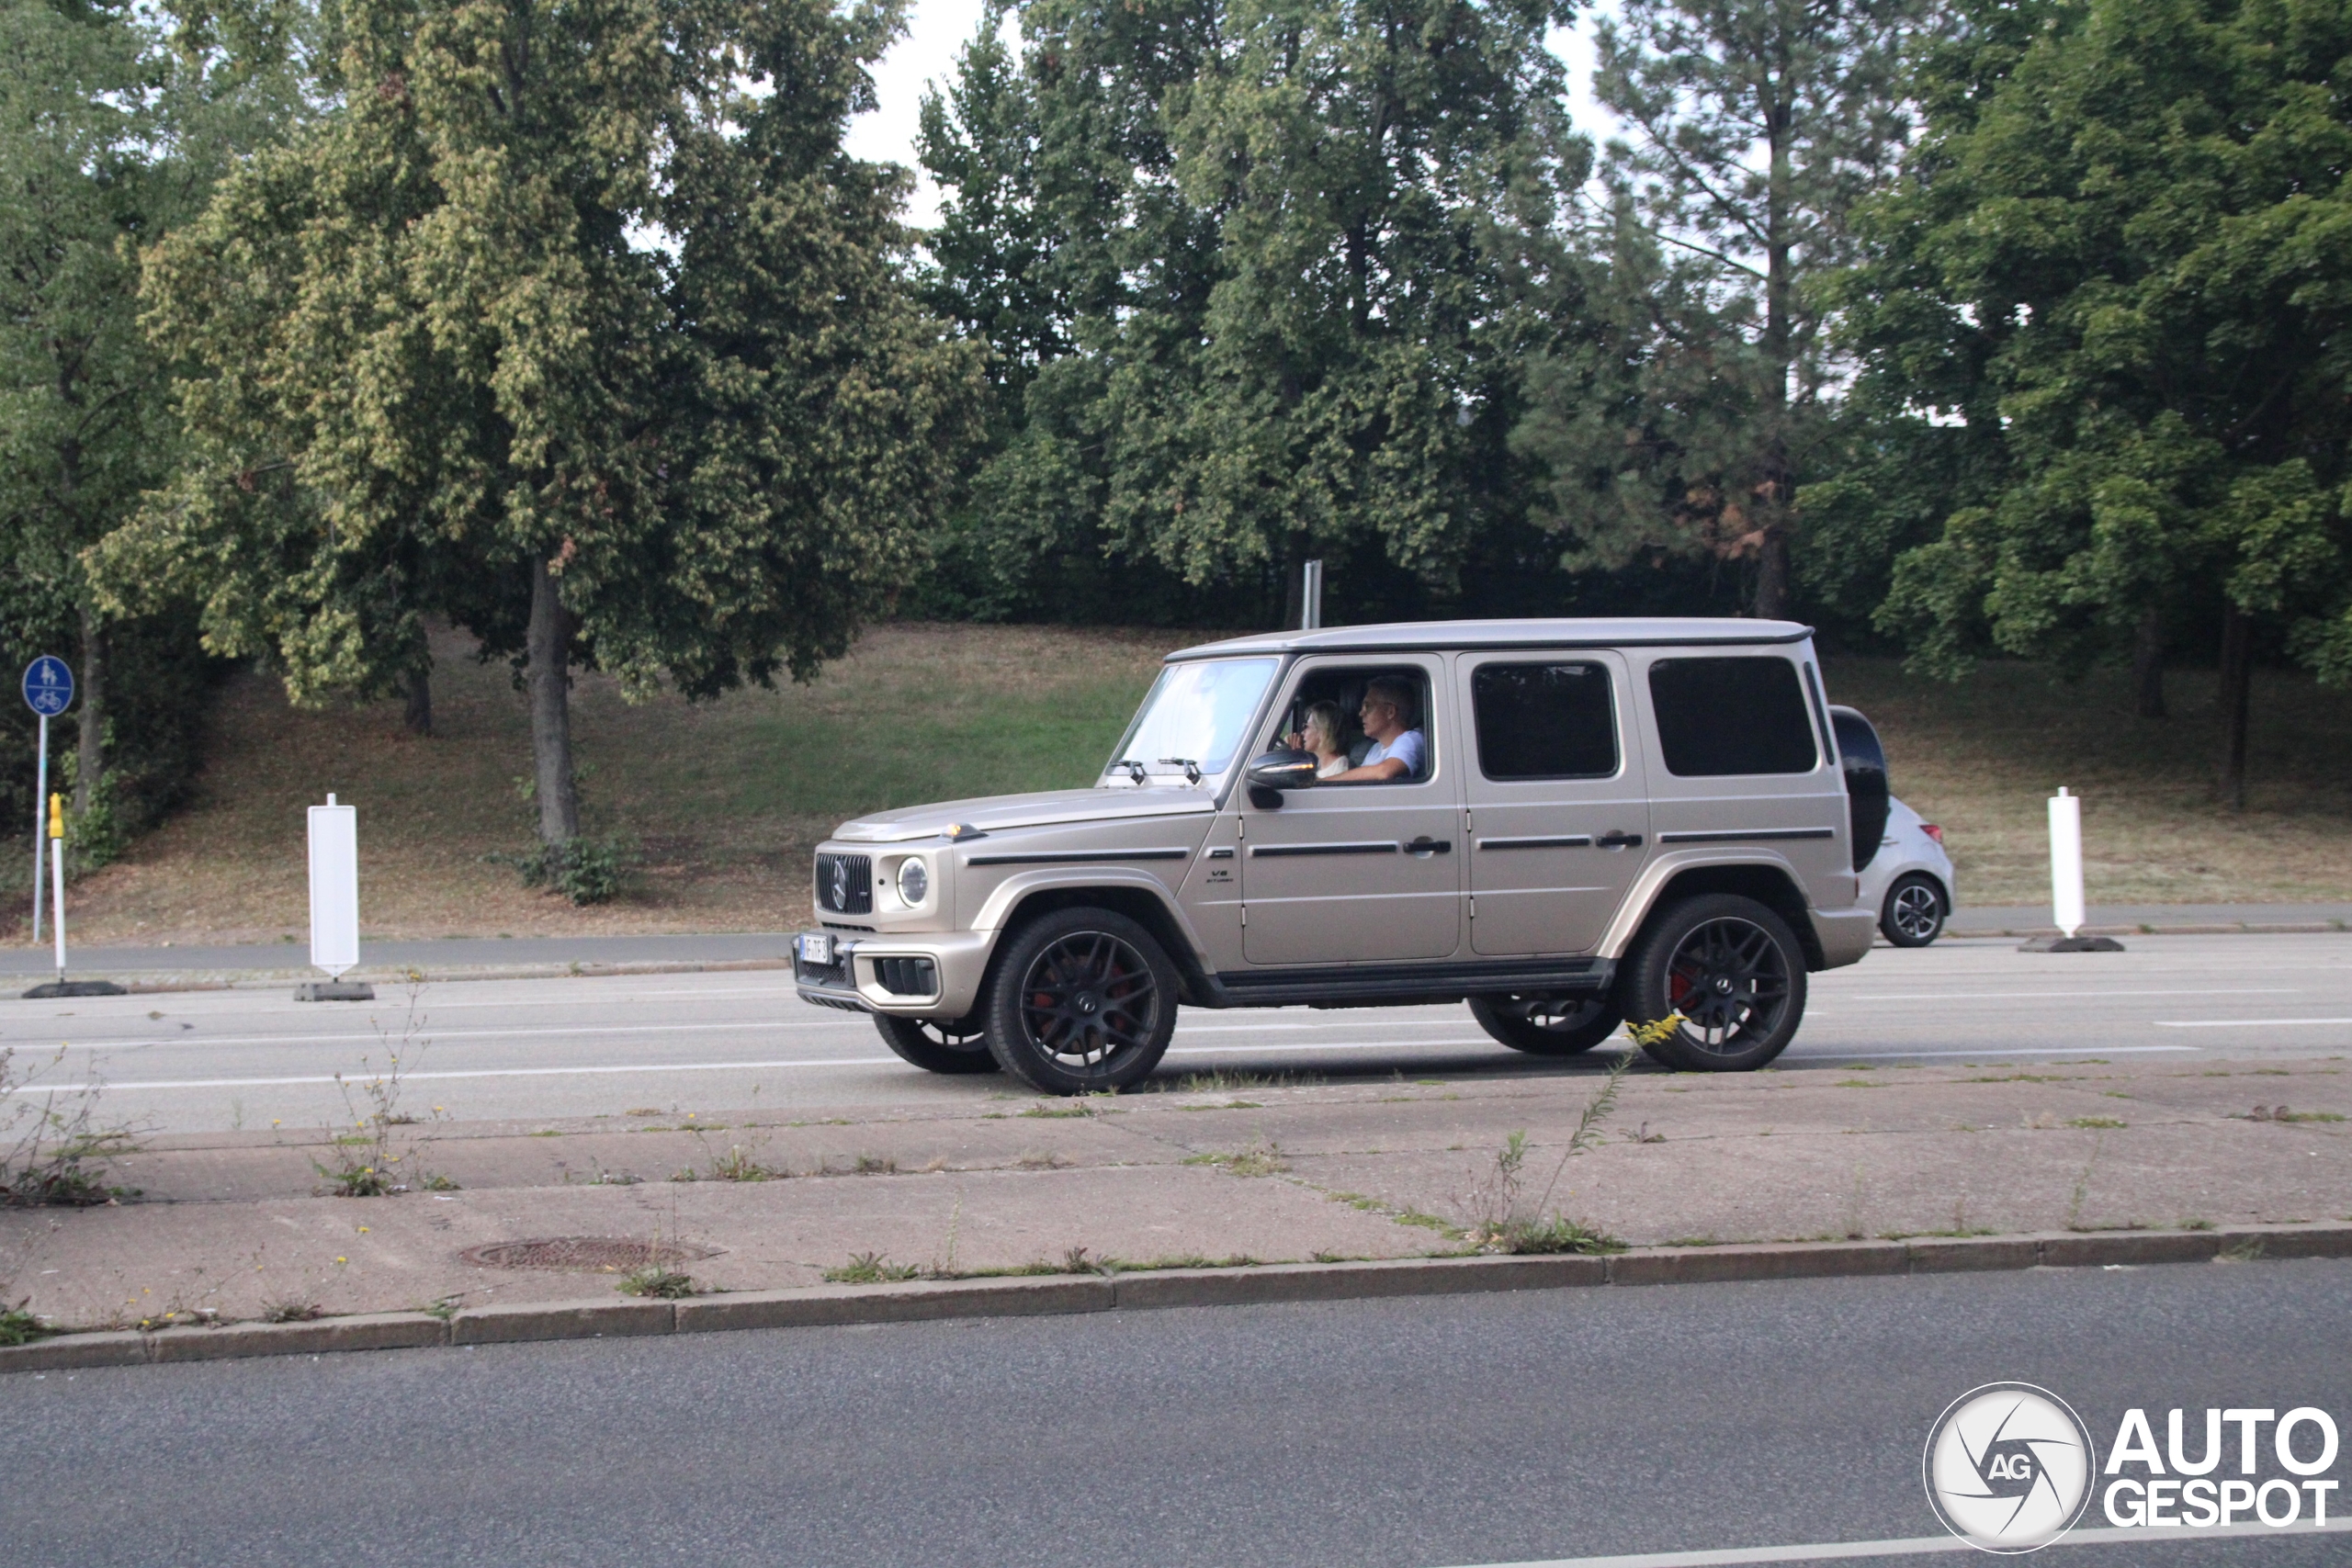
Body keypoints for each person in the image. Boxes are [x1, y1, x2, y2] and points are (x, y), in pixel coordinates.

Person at [1327, 676, 1426, 782]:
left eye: (1368, 707)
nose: (1361, 713)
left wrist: (1323, 781)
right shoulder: (1376, 748)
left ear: (1390, 712)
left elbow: (1384, 772)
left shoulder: (1411, 739)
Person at [1295, 701, 1351, 778]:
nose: (1303, 733)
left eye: (1306, 727)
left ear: (1322, 731)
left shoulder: (1340, 766)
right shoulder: (1319, 765)